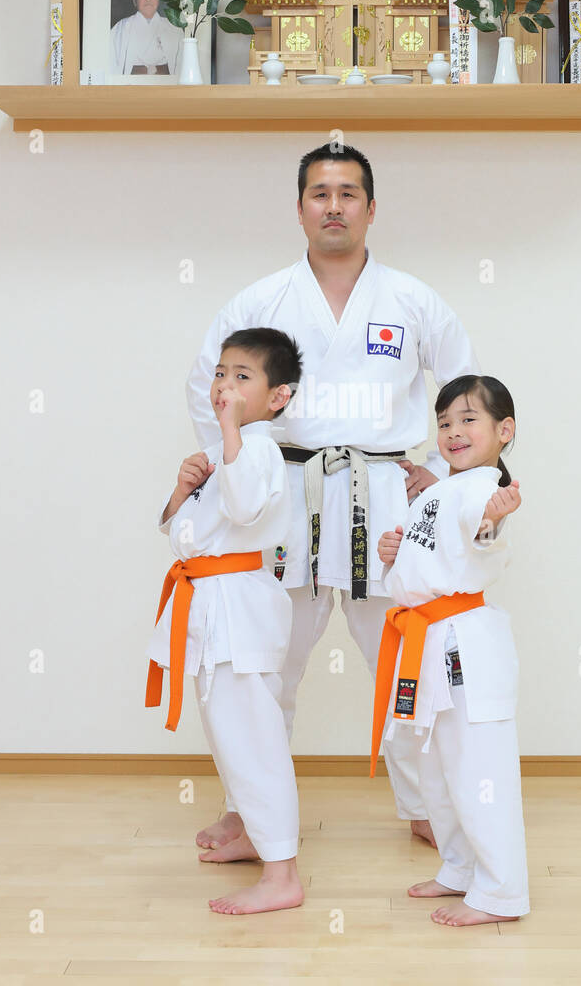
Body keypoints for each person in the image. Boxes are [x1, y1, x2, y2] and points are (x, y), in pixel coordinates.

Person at [186, 142, 506, 855]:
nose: (334, 206)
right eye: (320, 193)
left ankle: (426, 806)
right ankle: (248, 813)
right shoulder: (262, 299)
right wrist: (235, 465)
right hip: (282, 497)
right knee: (265, 665)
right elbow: (210, 389)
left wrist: (441, 473)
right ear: (300, 207)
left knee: (401, 656)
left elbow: (466, 391)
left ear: (370, 207)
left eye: (348, 193)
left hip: (385, 496)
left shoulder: (413, 299)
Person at [145, 327, 305, 915]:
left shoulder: (257, 448)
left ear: (277, 397)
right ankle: (250, 836)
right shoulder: (222, 452)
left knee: (254, 740)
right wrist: (183, 488)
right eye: (221, 373)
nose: (224, 387)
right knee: (229, 739)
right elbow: (181, 535)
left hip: (239, 607)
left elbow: (242, 510)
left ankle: (283, 873)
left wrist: (232, 434)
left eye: (243, 377)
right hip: (212, 603)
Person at [372, 374, 530, 927]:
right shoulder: (438, 488)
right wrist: (394, 554)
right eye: (444, 422)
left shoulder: (480, 490)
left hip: (464, 643)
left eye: (468, 420)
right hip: (427, 641)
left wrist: (494, 516)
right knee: (437, 766)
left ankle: (500, 892)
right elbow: (427, 565)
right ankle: (459, 867)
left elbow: (482, 530)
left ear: (502, 431)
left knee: (476, 767)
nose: (454, 432)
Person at [110, 0, 183, 75]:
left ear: (159, 1)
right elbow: (111, 62)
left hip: (165, 85)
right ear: (134, 1)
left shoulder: (174, 27)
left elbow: (181, 62)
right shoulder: (121, 27)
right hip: (132, 85)